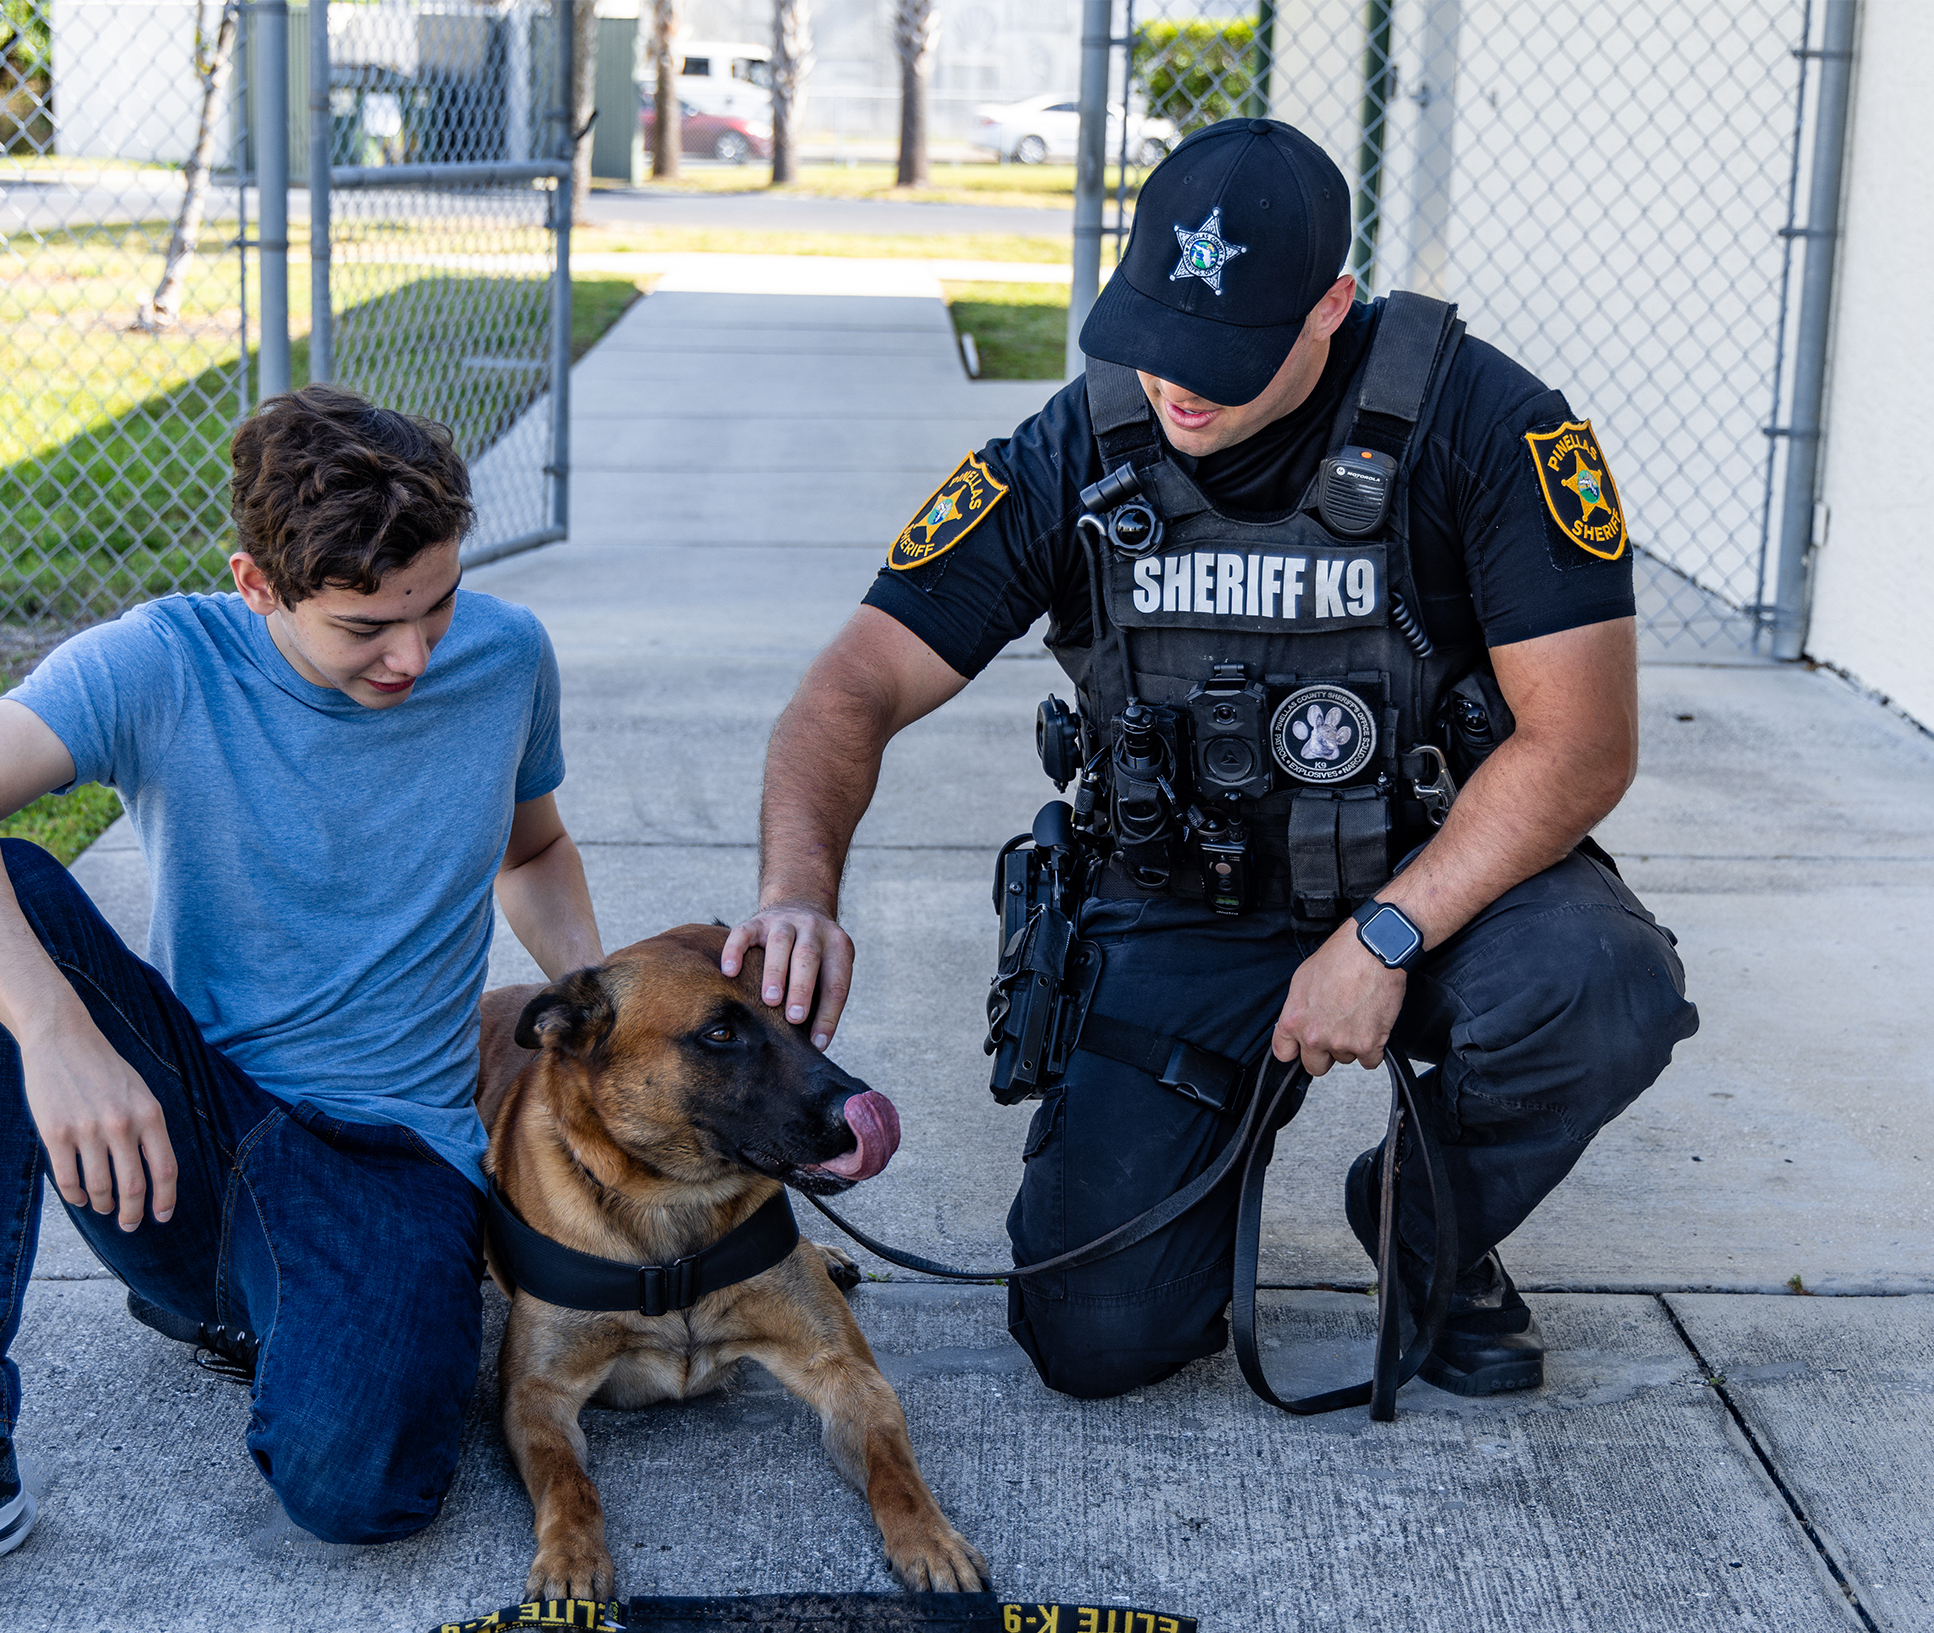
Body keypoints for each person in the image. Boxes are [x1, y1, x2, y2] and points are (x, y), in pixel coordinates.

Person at [724, 119, 1699, 1404]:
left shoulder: (1492, 426)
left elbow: (1583, 747)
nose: (1181, 387)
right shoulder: (1075, 445)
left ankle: (1433, 1230)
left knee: (1598, 984)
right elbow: (852, 683)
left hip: (1439, 882)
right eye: (1155, 339)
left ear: (1331, 309)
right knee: (1095, 1337)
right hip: (1185, 895)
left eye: (1226, 361)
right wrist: (799, 889)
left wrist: (1384, 939)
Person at [0, 387, 603, 1633]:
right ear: (257, 583)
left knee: (363, 1497)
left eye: (435, 604)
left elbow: (535, 847)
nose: (413, 655)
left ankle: (269, 1313)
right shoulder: (166, 659)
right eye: (365, 625)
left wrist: (597, 1000)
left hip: (390, 1154)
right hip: (181, 1131)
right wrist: (55, 1032)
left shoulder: (505, 657)